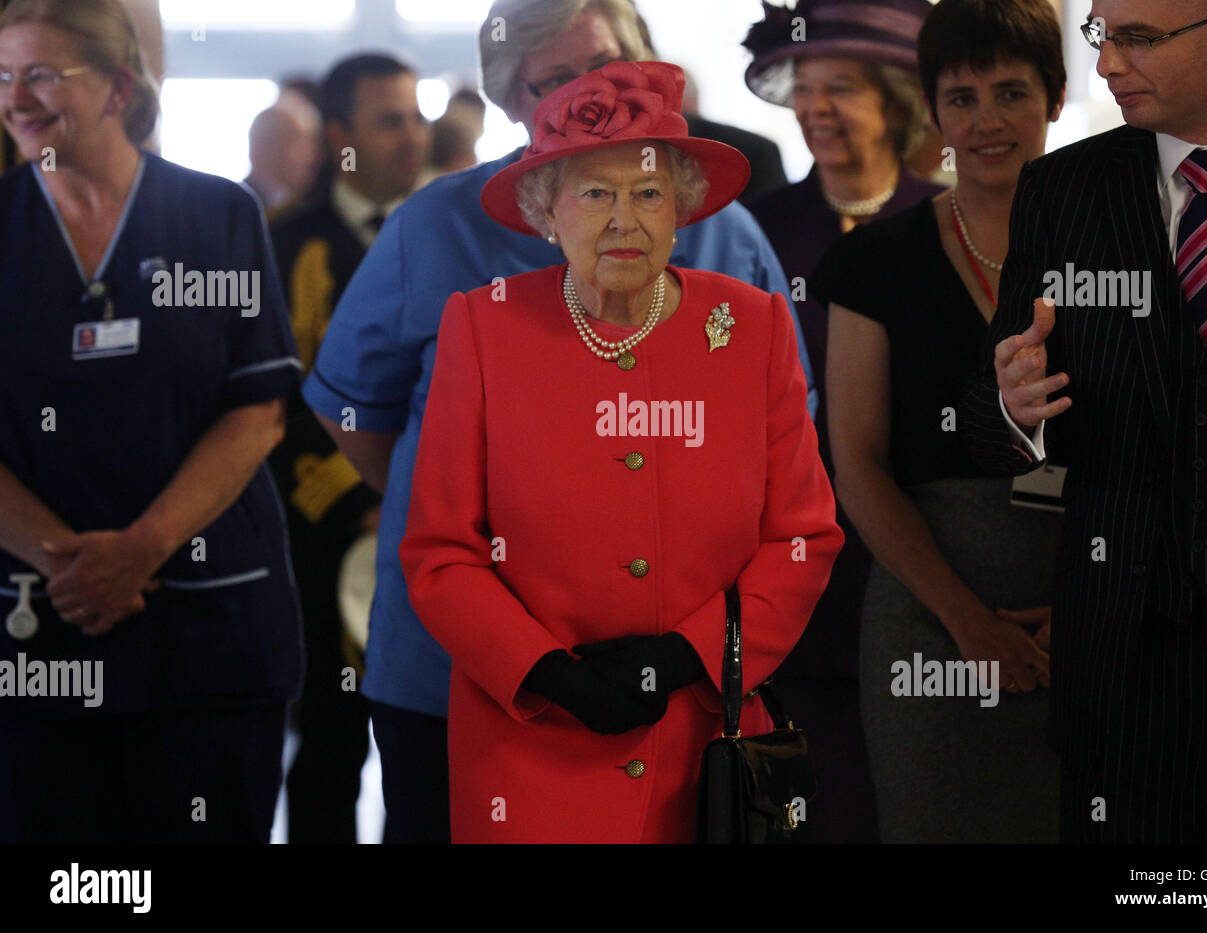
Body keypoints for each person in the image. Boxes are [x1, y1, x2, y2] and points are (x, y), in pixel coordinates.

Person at [301, 0, 816, 844]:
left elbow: (786, 469)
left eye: (610, 62)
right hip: (462, 674)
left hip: (685, 687)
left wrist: (683, 644)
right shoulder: (437, 231)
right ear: (512, 101)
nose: (598, 92)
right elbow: (352, 412)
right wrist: (481, 512)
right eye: (561, 81)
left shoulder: (726, 235)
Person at [960, 0, 1207, 843]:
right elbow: (985, 414)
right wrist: (1013, 406)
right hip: (1129, 677)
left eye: (1139, 39)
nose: (1107, 65)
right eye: (1100, 35)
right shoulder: (1062, 192)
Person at [0, 0, 301, 843]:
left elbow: (259, 409)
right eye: (2, 76)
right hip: (41, 629)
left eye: (42, 74)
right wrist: (74, 564)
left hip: (209, 627)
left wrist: (141, 546)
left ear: (119, 87)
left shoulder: (218, 217)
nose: (17, 98)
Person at [816, 0, 1066, 843]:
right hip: (929, 627)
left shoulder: (1131, 250)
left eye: (1012, 93)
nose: (987, 120)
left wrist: (1089, 606)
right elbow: (856, 464)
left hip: (1099, 616)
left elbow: (1160, 449)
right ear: (932, 112)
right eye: (961, 98)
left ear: (1056, 99)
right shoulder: (870, 261)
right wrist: (967, 619)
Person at [738, 0, 942, 843]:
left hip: (922, 551)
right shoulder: (760, 230)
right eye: (805, 89)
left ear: (894, 99)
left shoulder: (947, 220)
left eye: (842, 89)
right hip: (792, 558)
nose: (816, 108)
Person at [269, 52, 428, 844]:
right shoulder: (282, 239)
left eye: (417, 115)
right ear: (340, 136)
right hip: (323, 529)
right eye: (389, 119)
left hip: (441, 529)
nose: (413, 135)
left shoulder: (453, 232)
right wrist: (369, 499)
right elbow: (276, 399)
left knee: (426, 744)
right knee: (330, 740)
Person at [245, 89, 323, 217]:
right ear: (262, 146)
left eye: (312, 143)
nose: (310, 156)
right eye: (298, 143)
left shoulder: (310, 207)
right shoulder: (236, 207)